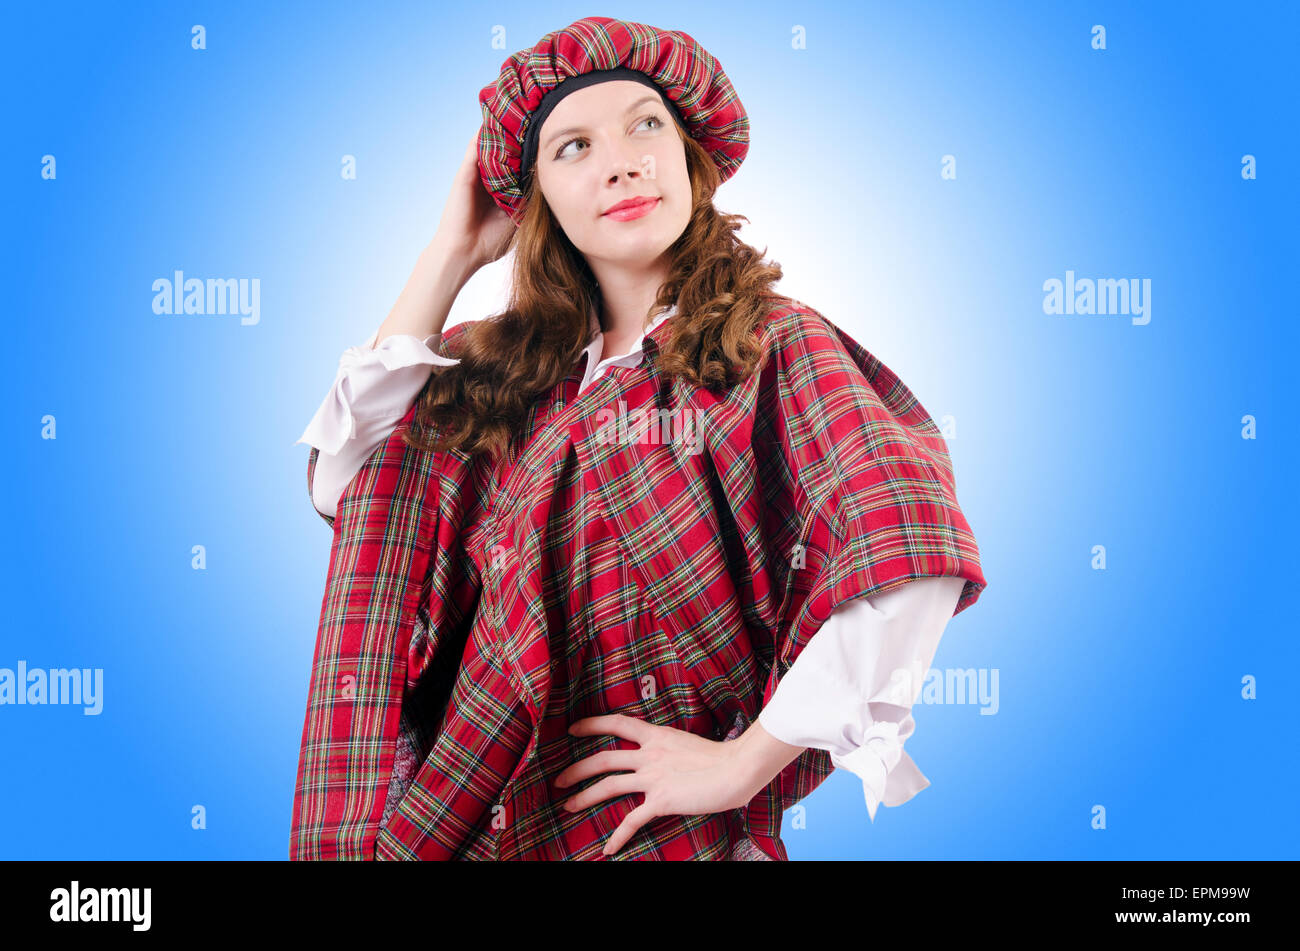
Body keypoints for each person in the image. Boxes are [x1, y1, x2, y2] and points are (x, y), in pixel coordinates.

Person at [291, 16, 987, 861]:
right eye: (573, 146)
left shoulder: (768, 344)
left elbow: (908, 548)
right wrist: (451, 252)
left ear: (689, 155)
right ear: (535, 197)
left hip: (667, 836)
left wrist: (742, 766)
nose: (621, 159)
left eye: (645, 124)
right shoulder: (506, 380)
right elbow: (354, 484)